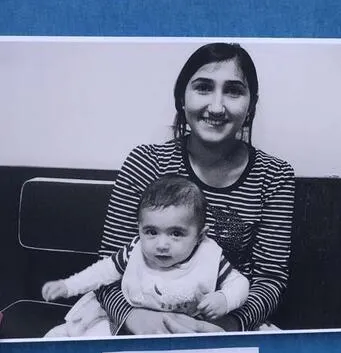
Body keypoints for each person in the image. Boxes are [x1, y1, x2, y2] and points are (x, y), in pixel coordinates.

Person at [95, 42, 295, 336]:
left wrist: (226, 326)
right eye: (203, 88)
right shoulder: (146, 162)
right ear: (181, 97)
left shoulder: (274, 176)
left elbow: (270, 279)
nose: (216, 107)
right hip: (138, 318)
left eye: (233, 91)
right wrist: (136, 320)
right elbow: (107, 268)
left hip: (229, 323)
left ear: (251, 104)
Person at [41, 176, 249, 337]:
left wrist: (225, 298)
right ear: (139, 229)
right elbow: (103, 271)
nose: (161, 245)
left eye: (176, 234)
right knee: (93, 341)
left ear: (200, 235)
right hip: (125, 320)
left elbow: (239, 283)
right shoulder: (135, 251)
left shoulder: (209, 257)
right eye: (151, 232)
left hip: (185, 326)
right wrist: (69, 286)